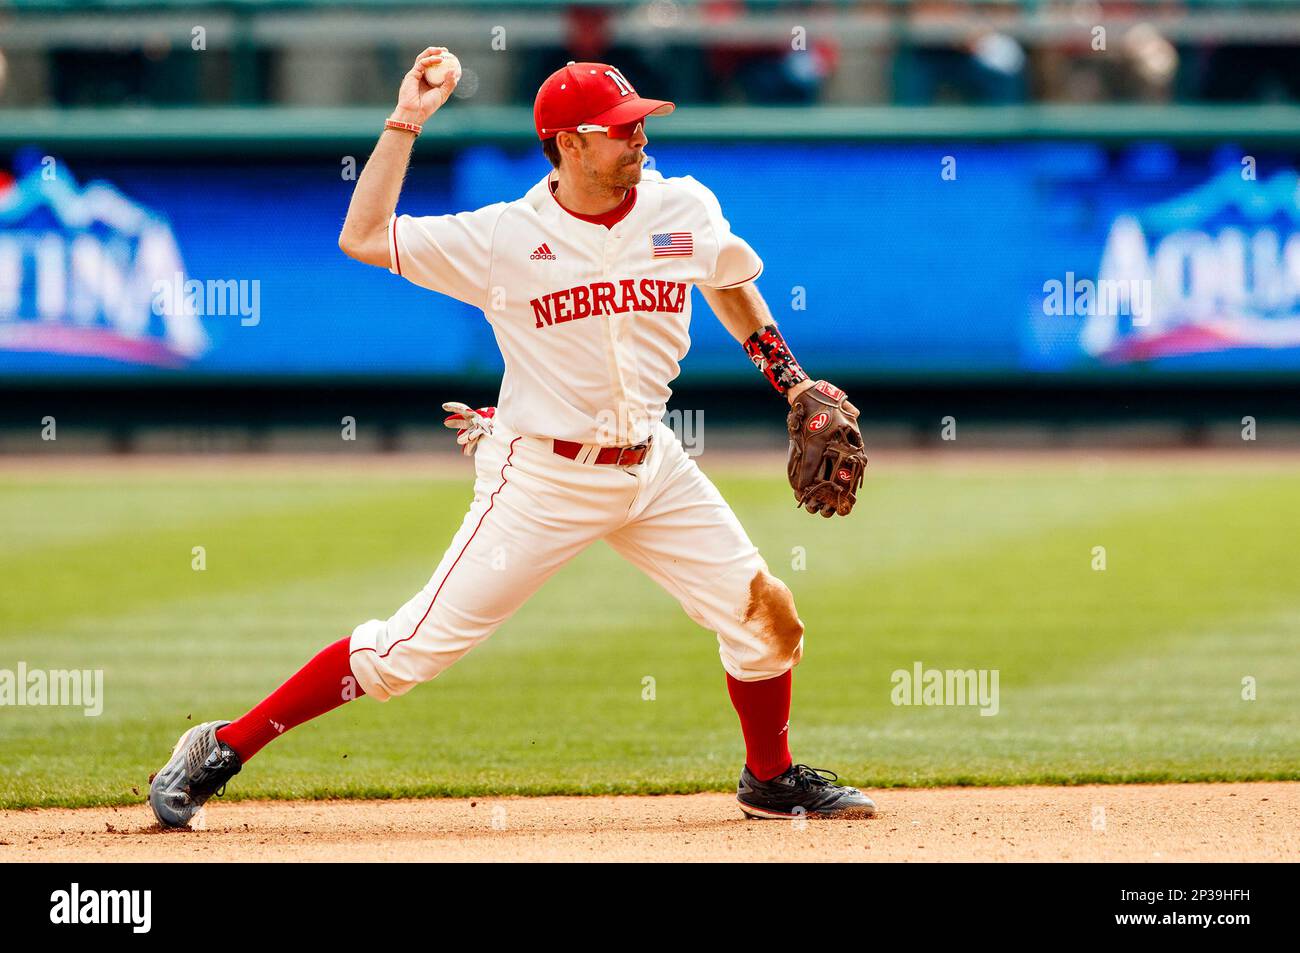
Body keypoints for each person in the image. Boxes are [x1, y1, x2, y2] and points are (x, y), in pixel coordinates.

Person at [148, 50, 874, 827]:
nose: (640, 139)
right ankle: (220, 744)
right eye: (621, 129)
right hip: (543, 480)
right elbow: (363, 236)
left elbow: (726, 277)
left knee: (769, 617)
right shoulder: (502, 237)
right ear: (568, 143)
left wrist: (791, 380)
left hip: (653, 465)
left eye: (641, 124)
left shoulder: (681, 208)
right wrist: (407, 120)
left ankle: (769, 777)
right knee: (404, 655)